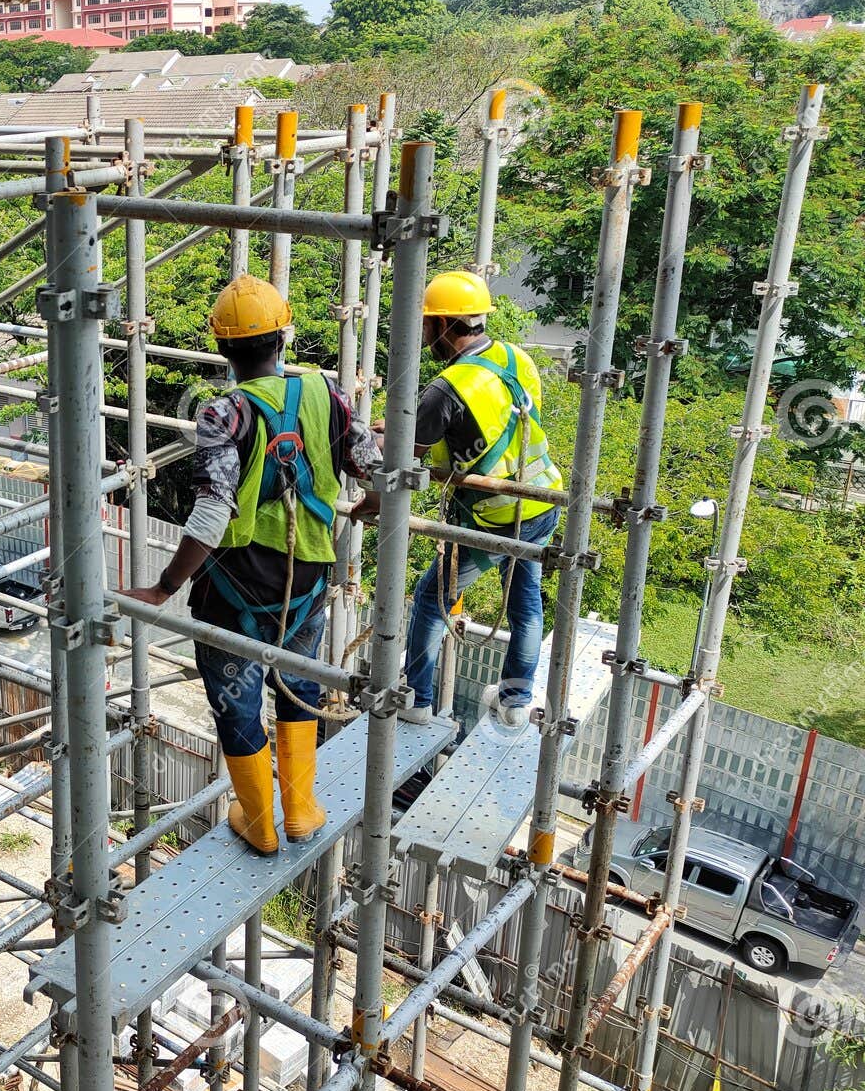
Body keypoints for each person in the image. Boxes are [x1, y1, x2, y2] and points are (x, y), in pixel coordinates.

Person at [125, 275, 379, 854]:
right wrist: (371, 505)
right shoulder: (325, 393)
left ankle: (259, 823)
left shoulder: (222, 415)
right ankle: (300, 809)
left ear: (222, 348)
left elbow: (213, 513)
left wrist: (164, 587)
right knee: (295, 687)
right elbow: (377, 466)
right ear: (284, 335)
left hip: (233, 591)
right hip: (307, 580)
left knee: (236, 701)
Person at [399, 270, 563, 730]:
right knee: (526, 603)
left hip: (491, 518)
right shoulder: (517, 357)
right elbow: (500, 428)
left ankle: (416, 697)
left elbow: (405, 463)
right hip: (540, 501)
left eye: (429, 323)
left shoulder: (445, 389)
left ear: (446, 326)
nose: (424, 332)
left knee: (431, 599)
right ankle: (514, 701)